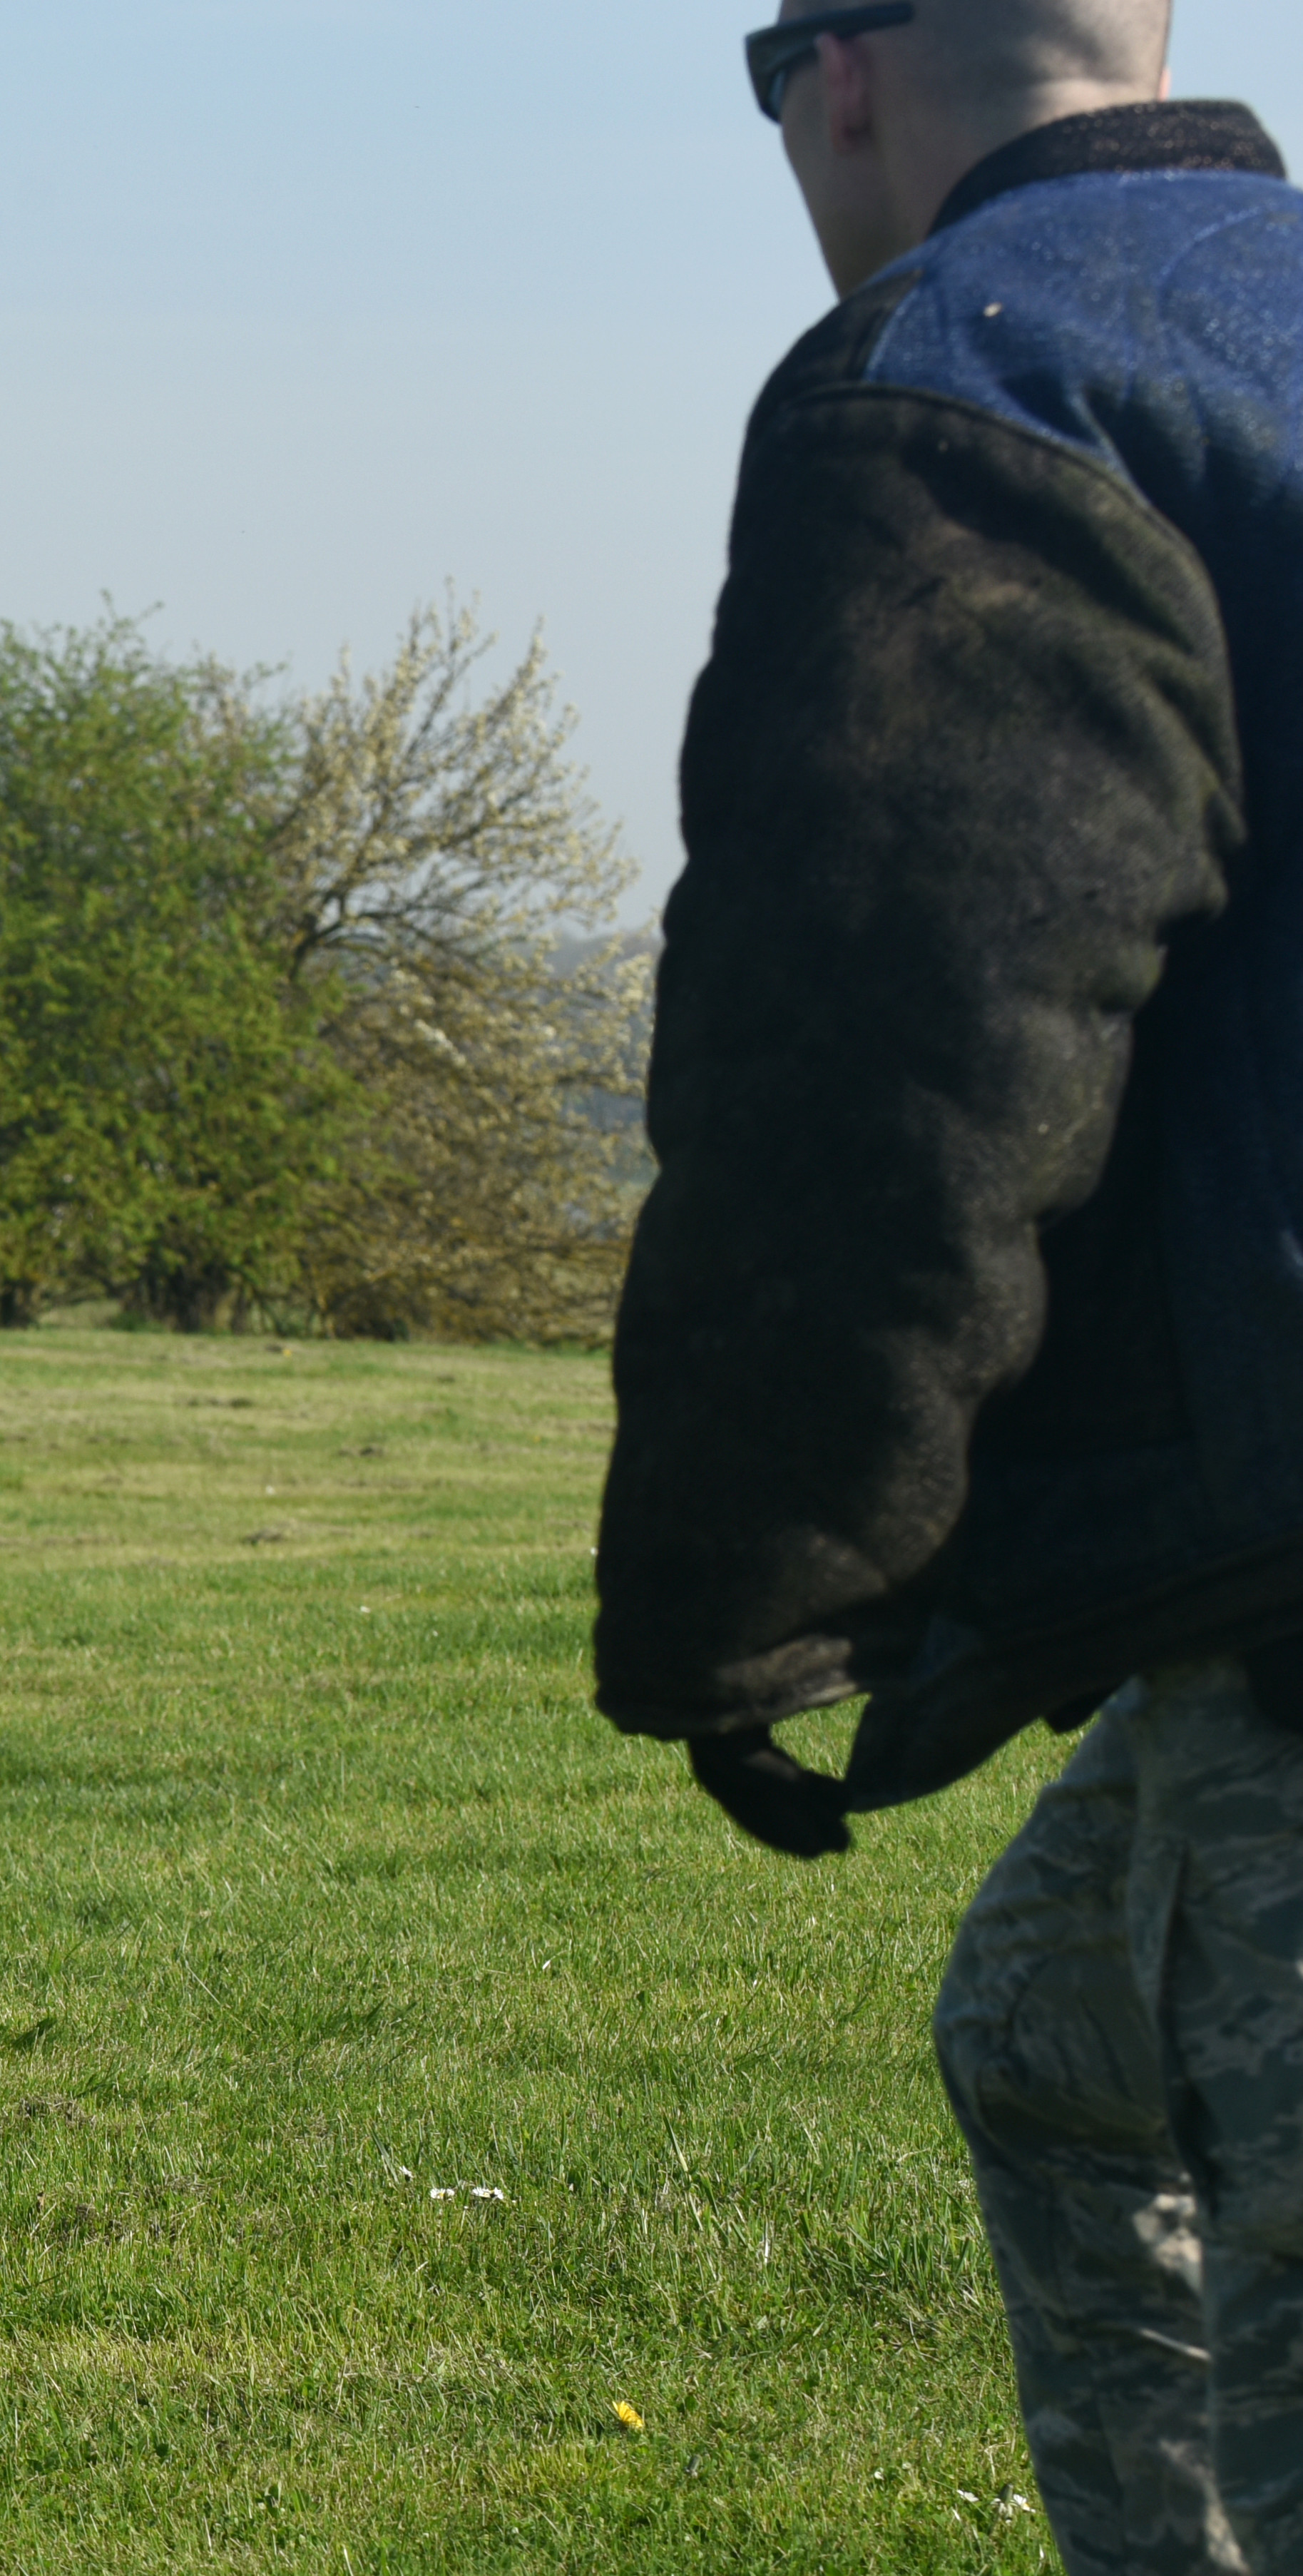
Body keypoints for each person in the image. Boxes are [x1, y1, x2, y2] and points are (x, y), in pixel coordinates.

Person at [596, 2, 1303, 2562]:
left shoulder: (972, 380)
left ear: (842, 72)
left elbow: (906, 1030)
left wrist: (754, 1583)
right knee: (1047, 2031)